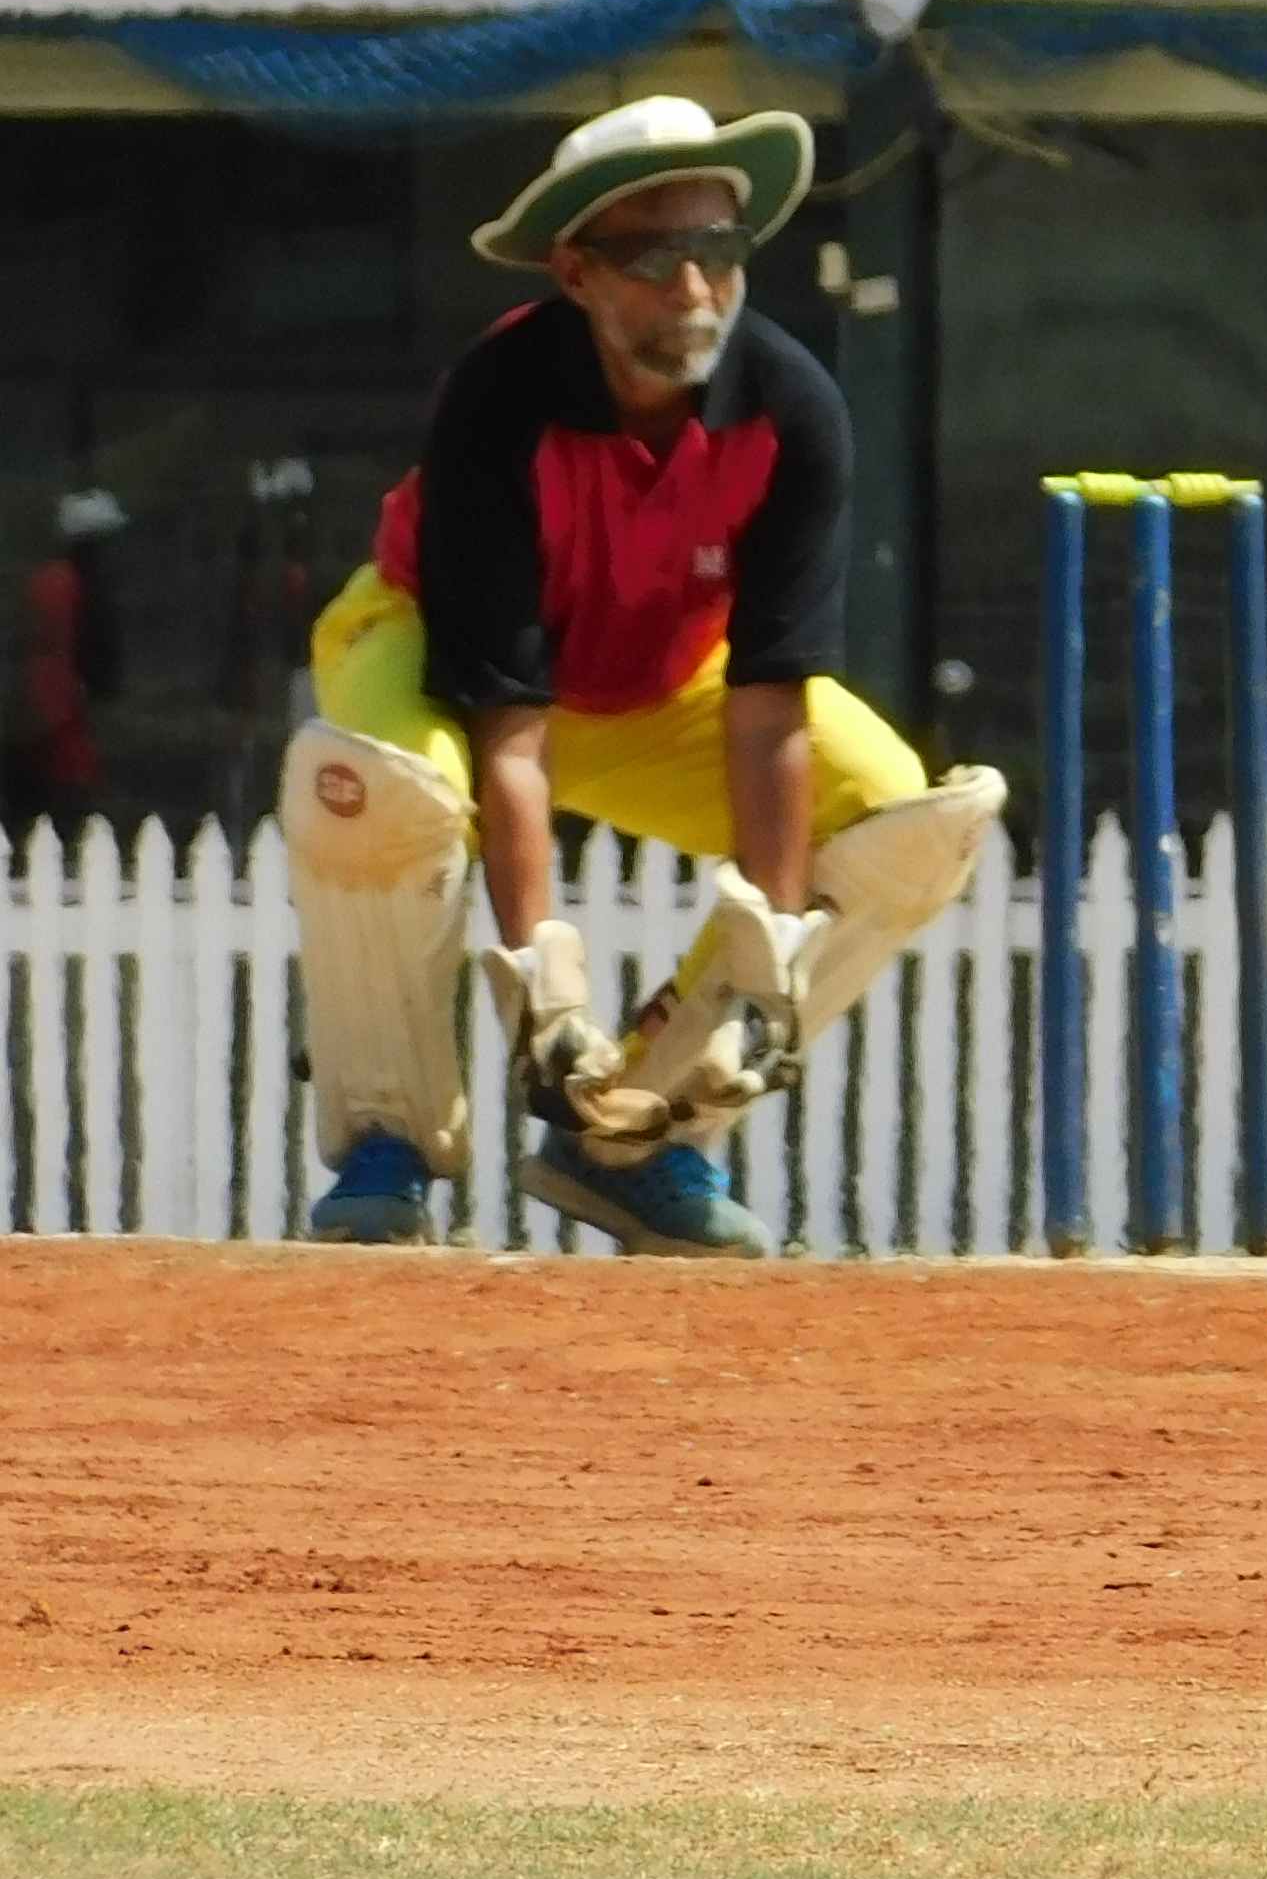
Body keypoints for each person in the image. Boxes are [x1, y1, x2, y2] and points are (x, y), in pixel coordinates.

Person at [286, 95, 1004, 1255]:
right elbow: (508, 725)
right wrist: (543, 983)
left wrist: (772, 958)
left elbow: (769, 707)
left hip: (662, 681)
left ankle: (634, 1142)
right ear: (574, 272)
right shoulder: (498, 395)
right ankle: (388, 1148)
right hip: (435, 661)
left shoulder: (793, 409)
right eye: (654, 258)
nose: (696, 288)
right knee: (378, 791)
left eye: (719, 249)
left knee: (902, 819)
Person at [5, 488, 124, 838]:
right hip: (65, 719)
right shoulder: (83, 588)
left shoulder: (44, 582)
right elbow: (94, 655)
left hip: (36, 717)